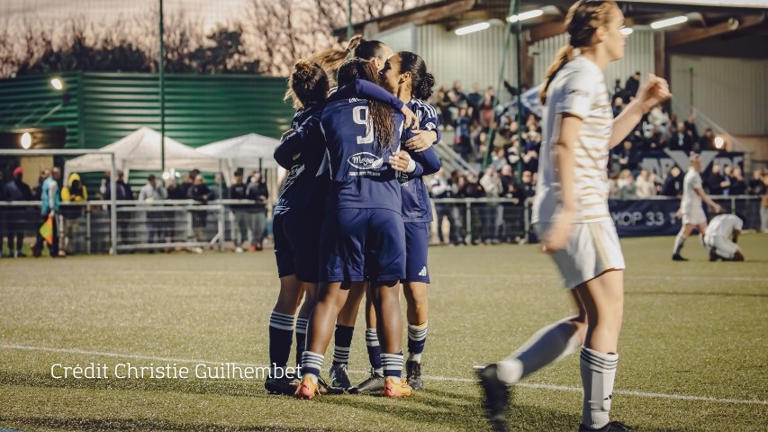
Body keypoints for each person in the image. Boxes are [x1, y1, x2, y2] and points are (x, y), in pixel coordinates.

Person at [475, 2, 671, 432]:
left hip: (573, 209)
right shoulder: (583, 74)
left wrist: (640, 106)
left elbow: (598, 141)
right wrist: (568, 209)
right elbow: (564, 144)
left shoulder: (577, 73)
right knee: (607, 317)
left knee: (587, 320)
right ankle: (596, 424)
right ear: (599, 32)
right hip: (581, 210)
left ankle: (503, 375)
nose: (624, 34)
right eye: (620, 26)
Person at [267, 57, 414, 395]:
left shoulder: (317, 114)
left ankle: (284, 373)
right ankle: (322, 375)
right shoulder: (383, 112)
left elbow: (282, 153)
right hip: (327, 210)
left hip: (290, 206)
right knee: (323, 295)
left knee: (294, 295)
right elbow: (429, 159)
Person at [373, 50, 442, 391]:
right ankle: (380, 366)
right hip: (379, 207)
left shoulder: (422, 111)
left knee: (415, 291)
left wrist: (428, 140)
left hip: (412, 209)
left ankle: (414, 361)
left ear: (405, 76)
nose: (382, 69)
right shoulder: (375, 106)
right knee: (380, 289)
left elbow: (431, 161)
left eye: (388, 65)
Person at [672, 154, 723, 261]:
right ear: (693, 163)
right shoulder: (693, 176)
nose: (701, 164)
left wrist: (681, 208)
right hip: (691, 208)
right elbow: (700, 193)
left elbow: (688, 194)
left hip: (695, 207)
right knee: (686, 230)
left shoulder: (692, 175)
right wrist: (713, 204)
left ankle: (712, 253)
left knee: (704, 230)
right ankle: (675, 253)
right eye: (699, 162)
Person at [3, 167, 32, 258]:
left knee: (20, 233)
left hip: (21, 213)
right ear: (14, 175)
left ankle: (19, 250)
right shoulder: (8, 186)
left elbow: (29, 198)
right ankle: (11, 250)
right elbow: (4, 198)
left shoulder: (25, 187)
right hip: (11, 214)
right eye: (17, 175)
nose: (19, 176)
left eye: (20, 175)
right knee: (10, 233)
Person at [33, 168, 62, 258]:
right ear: (54, 174)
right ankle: (54, 251)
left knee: (46, 230)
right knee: (54, 231)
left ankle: (38, 247)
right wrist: (52, 210)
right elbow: (51, 197)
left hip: (45, 209)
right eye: (58, 173)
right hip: (50, 210)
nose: (59, 175)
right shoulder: (53, 183)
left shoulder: (46, 182)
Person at [60, 172, 88, 256]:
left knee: (72, 234)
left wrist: (75, 198)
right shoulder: (66, 189)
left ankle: (70, 249)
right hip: (66, 215)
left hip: (76, 215)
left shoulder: (81, 189)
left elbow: (84, 199)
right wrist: (73, 198)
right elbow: (66, 199)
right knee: (63, 233)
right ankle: (62, 249)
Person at [138, 174, 167, 247]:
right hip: (150, 212)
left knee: (161, 229)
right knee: (151, 230)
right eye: (151, 180)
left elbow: (165, 196)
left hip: (160, 211)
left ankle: (161, 247)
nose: (152, 181)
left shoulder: (159, 187)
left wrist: (160, 189)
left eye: (153, 179)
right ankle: (150, 247)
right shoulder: (145, 188)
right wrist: (147, 202)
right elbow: (140, 200)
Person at [430, 169, 456, 245]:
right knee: (439, 223)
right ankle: (441, 240)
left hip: (449, 205)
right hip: (440, 205)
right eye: (441, 173)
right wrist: (444, 187)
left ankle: (452, 239)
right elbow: (435, 191)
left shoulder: (448, 180)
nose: (443, 174)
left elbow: (454, 190)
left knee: (452, 222)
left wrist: (451, 185)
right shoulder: (435, 180)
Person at [187, 176, 214, 251]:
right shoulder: (192, 188)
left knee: (202, 228)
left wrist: (207, 196)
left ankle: (201, 245)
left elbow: (212, 194)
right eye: (199, 180)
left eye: (201, 180)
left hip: (202, 212)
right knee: (196, 228)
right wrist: (202, 198)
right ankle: (196, 245)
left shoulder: (204, 187)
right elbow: (191, 196)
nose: (200, 182)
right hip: (195, 212)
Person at [245, 172, 269, 251]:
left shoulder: (263, 185)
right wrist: (258, 198)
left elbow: (266, 195)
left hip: (261, 210)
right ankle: (253, 244)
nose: (258, 178)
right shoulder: (250, 185)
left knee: (261, 228)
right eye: (256, 177)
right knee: (253, 229)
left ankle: (259, 243)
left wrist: (263, 197)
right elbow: (248, 195)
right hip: (251, 211)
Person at [228, 169, 250, 253]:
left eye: (239, 175)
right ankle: (236, 245)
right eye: (236, 175)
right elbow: (230, 198)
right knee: (235, 229)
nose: (238, 177)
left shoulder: (245, 186)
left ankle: (241, 244)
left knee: (244, 228)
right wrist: (232, 209)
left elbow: (248, 196)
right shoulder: (232, 187)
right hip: (235, 211)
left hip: (244, 210)